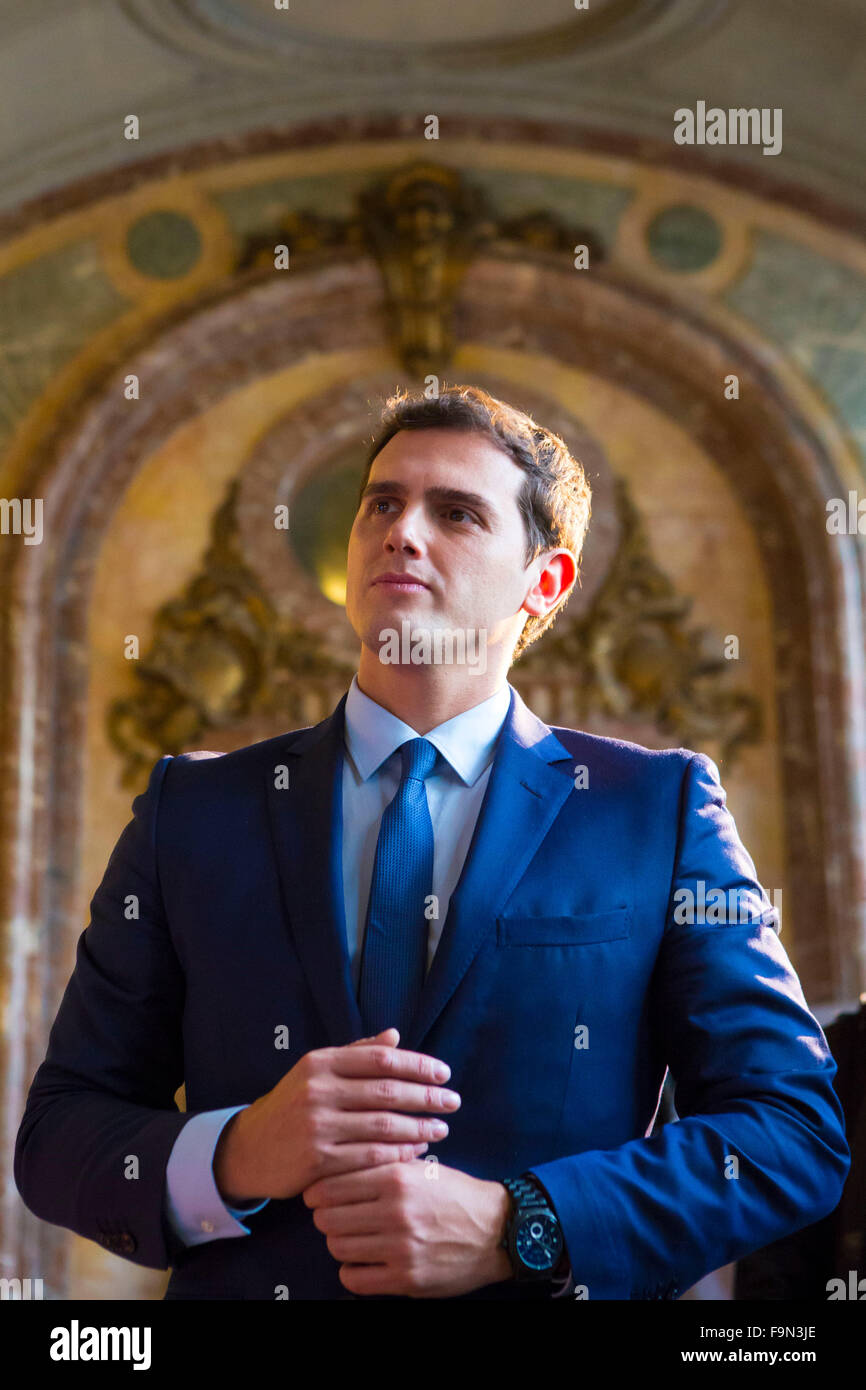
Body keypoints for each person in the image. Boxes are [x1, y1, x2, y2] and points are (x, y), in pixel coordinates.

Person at [15, 384, 850, 1300]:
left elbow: (790, 1133)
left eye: (455, 513)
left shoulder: (656, 806)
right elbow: (59, 1139)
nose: (401, 531)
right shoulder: (194, 808)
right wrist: (238, 1152)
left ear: (546, 582)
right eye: (382, 502)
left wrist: (520, 1223)